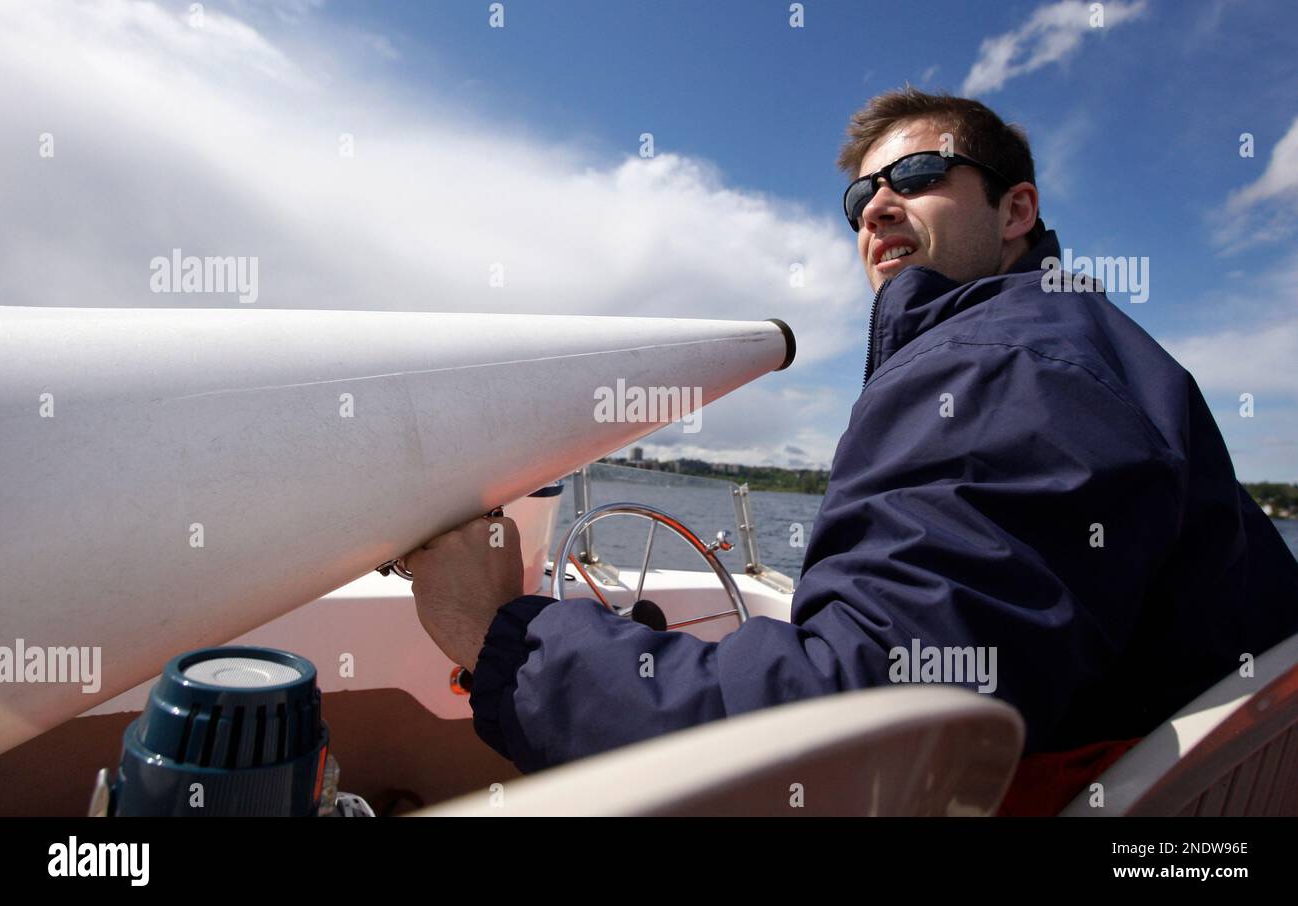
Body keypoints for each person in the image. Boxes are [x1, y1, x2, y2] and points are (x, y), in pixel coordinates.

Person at [406, 88, 1298, 813]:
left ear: (1016, 207)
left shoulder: (1006, 368)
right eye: (859, 196)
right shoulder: (1068, 349)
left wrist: (505, 636)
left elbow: (856, 732)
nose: (876, 204)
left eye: (917, 172)